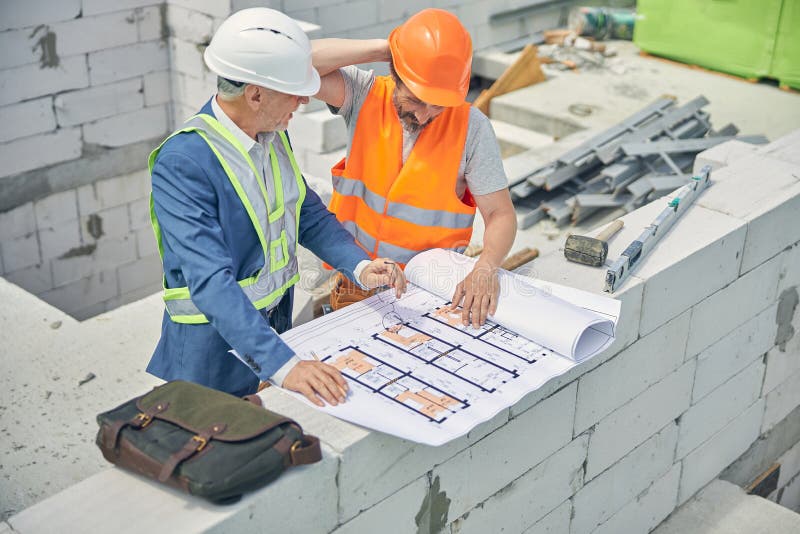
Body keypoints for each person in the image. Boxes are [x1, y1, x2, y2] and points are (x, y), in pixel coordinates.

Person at [146, 8, 406, 405]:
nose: (304, 100)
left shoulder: (269, 132)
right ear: (255, 94)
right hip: (211, 357)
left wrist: (358, 265)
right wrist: (285, 365)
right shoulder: (184, 162)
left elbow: (305, 212)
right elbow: (210, 281)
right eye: (294, 91)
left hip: (275, 331)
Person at [311, 8, 517, 328]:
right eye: (415, 100)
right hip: (358, 280)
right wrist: (387, 49)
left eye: (438, 105)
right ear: (395, 74)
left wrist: (485, 269)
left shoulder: (472, 128)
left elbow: (500, 214)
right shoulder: (363, 95)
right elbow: (295, 63)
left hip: (430, 293)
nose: (424, 115)